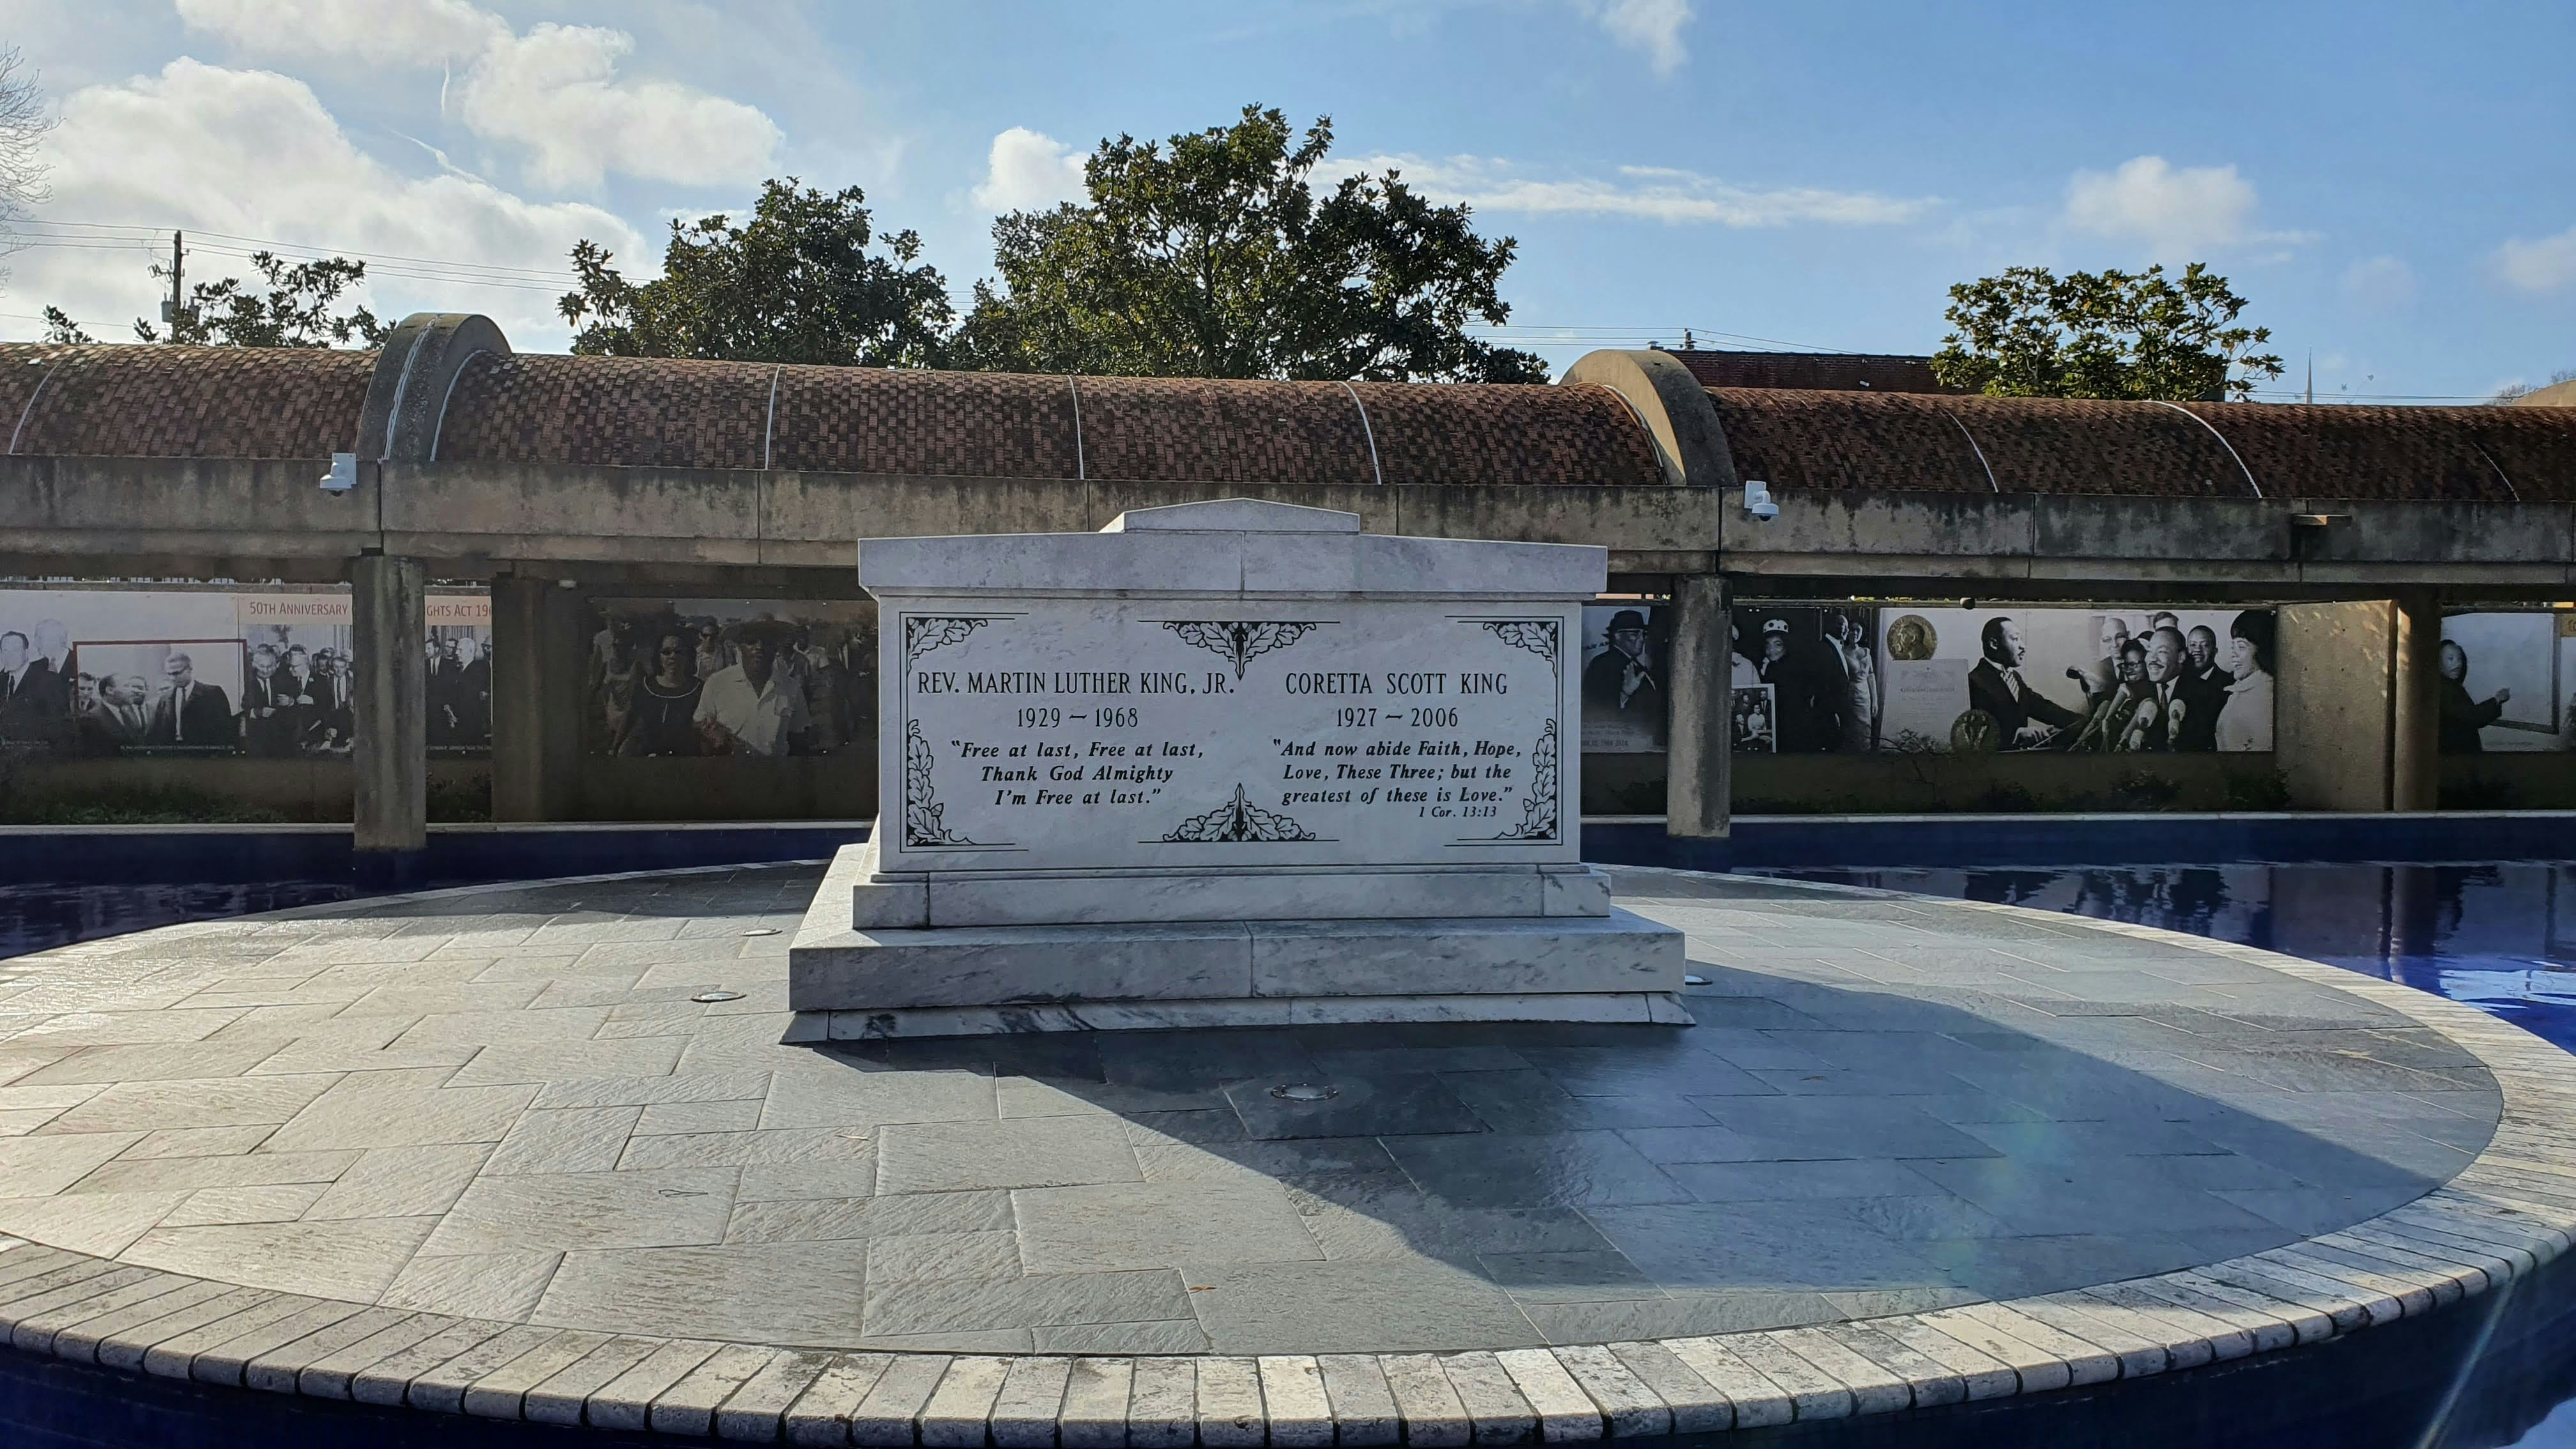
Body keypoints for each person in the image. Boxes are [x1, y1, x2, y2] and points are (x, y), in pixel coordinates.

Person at [694, 621, 809, 755]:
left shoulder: (792, 687)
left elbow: (799, 737)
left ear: (776, 648)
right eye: (751, 641)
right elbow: (699, 725)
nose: (759, 647)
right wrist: (716, 735)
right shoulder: (717, 682)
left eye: (767, 642)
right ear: (739, 647)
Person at [1966, 617, 2083, 747]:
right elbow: (1973, 734)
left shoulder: (2014, 677)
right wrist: (2014, 735)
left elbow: (2041, 707)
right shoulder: (1974, 681)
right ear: (1994, 644)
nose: (2023, 646)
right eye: (2015, 639)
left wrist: (2084, 722)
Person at [618, 633, 705, 756]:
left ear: (688, 656)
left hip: (686, 760)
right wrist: (614, 748)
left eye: (679, 652)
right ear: (658, 656)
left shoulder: (700, 689)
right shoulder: (644, 686)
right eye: (666, 652)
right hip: (647, 758)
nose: (673, 657)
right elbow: (628, 719)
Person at [1583, 610, 1664, 739]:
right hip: (1623, 740)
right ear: (1618, 637)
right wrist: (1624, 694)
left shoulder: (1636, 665)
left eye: (1644, 634)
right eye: (1635, 634)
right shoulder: (1603, 664)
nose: (1641, 639)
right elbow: (1597, 707)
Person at [2214, 611, 2275, 753]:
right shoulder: (2244, 688)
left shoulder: (2265, 696)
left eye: (2241, 647)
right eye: (2233, 647)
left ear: (2262, 651)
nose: (2233, 654)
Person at [146, 650, 234, 747]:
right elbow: (158, 730)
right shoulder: (165, 698)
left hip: (203, 754)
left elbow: (225, 729)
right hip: (172, 754)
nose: (172, 678)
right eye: (169, 674)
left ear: (189, 669)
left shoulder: (213, 693)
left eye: (176, 673)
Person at [2438, 639, 2509, 753]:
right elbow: (2472, 716)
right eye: (2451, 659)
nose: (2458, 664)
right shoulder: (2444, 689)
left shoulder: (2449, 685)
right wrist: (2496, 700)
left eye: (2460, 659)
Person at [2172, 624, 2234, 752]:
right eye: (2193, 645)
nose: (2197, 650)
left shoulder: (2228, 683)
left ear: (2215, 651)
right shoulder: (2180, 680)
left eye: (2204, 645)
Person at [240, 645, 300, 757]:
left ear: (276, 665)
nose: (266, 671)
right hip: (256, 740)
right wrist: (257, 712)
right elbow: (243, 708)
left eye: (270, 667)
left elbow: (297, 706)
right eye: (262, 666)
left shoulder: (283, 680)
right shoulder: (248, 682)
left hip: (281, 741)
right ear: (254, 665)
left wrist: (291, 702)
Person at [1832, 610, 1877, 752]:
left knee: (1865, 728)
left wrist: (1875, 700)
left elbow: (1871, 675)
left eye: (1858, 630)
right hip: (1849, 693)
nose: (1855, 633)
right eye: (1852, 630)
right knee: (1850, 729)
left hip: (1865, 695)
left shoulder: (1866, 652)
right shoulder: (1841, 651)